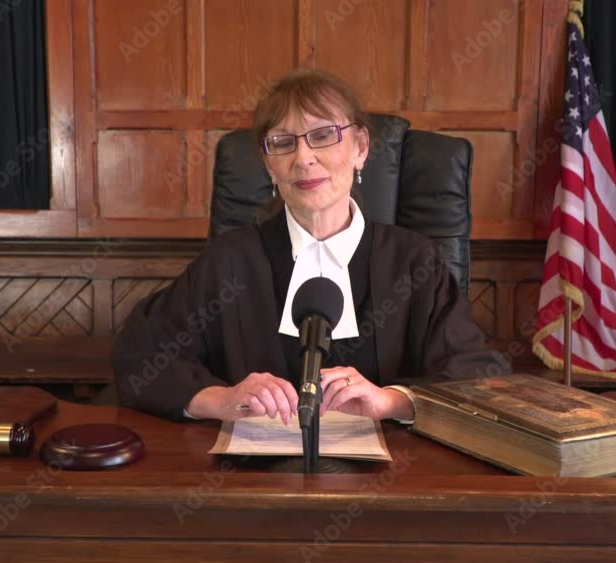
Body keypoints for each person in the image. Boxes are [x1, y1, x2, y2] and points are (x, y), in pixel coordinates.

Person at [112, 68, 508, 424]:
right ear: (269, 164)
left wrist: (390, 402)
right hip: (252, 483)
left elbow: (474, 373)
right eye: (282, 142)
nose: (304, 158)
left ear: (361, 148)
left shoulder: (414, 261)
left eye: (323, 136)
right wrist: (220, 400)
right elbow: (140, 354)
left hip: (389, 482)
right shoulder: (229, 262)